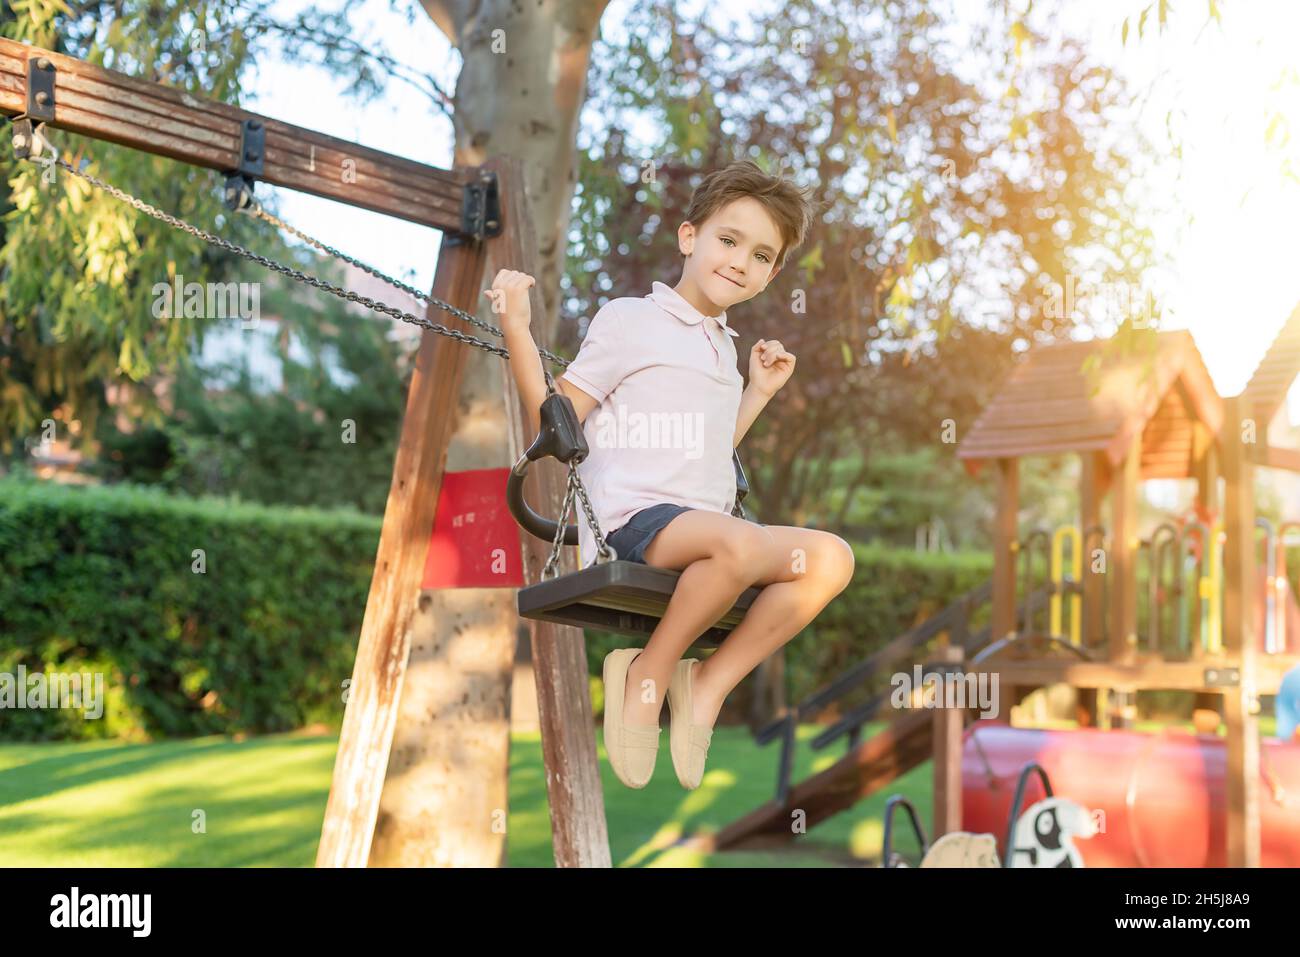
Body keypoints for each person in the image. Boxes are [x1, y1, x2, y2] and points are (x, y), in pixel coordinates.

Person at [491, 160, 854, 790]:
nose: (742, 262)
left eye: (762, 256)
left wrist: (758, 392)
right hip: (633, 524)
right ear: (690, 238)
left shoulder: (725, 346)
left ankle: (707, 683)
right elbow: (556, 421)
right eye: (729, 240)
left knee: (830, 559)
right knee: (738, 542)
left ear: (771, 274)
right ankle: (647, 675)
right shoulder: (630, 319)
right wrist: (517, 330)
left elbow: (709, 452)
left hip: (706, 531)